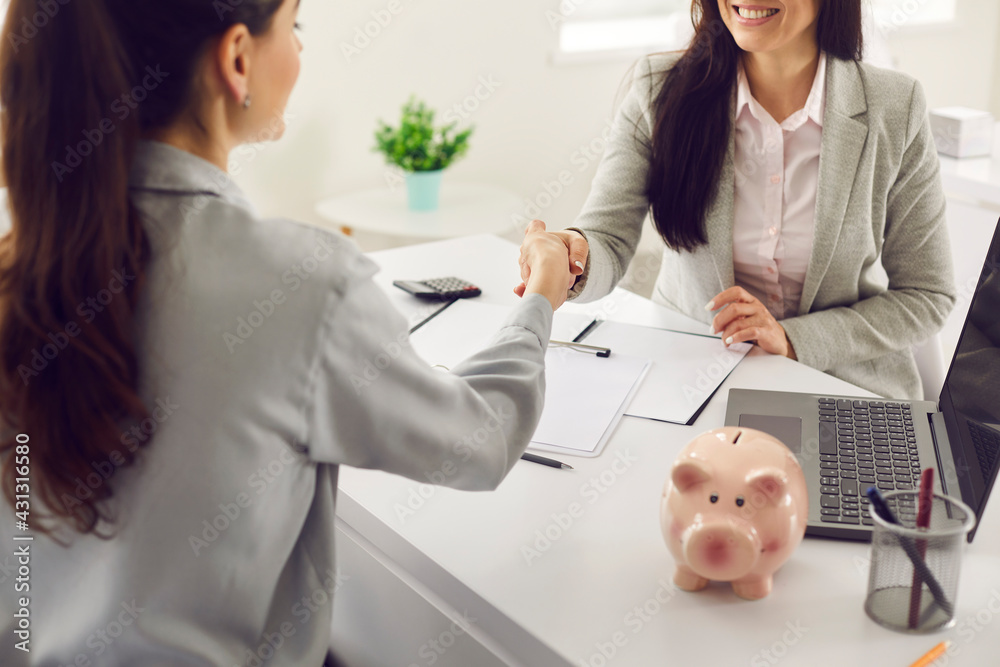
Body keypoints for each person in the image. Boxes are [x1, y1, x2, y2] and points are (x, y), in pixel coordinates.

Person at [0, 0, 573, 664]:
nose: (300, 51)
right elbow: (481, 440)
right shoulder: (301, 285)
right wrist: (541, 302)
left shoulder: (19, 276)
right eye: (294, 27)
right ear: (237, 58)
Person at [517, 0, 956, 400]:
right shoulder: (658, 89)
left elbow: (926, 294)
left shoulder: (895, 106)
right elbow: (606, 238)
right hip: (693, 378)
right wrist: (570, 255)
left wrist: (791, 339)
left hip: (841, 386)